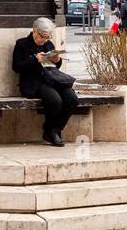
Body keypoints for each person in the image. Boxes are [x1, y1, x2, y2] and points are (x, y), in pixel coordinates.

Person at [12, 17, 79, 148]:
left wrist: (57, 60)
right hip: (33, 83)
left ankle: (54, 129)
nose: (44, 40)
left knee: (72, 99)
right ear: (35, 31)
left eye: (48, 37)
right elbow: (16, 67)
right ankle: (50, 131)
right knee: (55, 100)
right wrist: (34, 59)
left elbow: (56, 67)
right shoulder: (22, 44)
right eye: (43, 37)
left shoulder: (48, 44)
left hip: (52, 80)